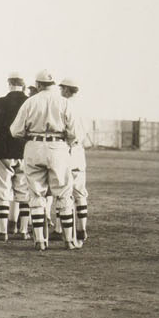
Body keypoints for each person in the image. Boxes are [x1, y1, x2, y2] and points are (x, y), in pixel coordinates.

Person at [9, 69, 78, 251]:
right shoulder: (63, 102)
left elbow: (15, 130)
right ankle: (69, 240)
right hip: (58, 147)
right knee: (63, 192)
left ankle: (40, 241)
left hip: (34, 146)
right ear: (54, 85)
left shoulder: (30, 102)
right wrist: (67, 143)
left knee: (36, 192)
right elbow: (74, 133)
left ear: (38, 85)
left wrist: (31, 136)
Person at [0, 72, 32, 241]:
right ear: (23, 85)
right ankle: (23, 231)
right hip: (24, 152)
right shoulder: (29, 102)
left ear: (9, 84)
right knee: (23, 192)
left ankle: (3, 231)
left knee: (3, 191)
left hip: (2, 151)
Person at [58, 77, 92, 245]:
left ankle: (63, 231)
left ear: (66, 90)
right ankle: (81, 228)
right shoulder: (84, 107)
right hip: (80, 150)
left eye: (61, 88)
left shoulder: (64, 105)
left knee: (64, 192)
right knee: (80, 192)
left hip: (66, 149)